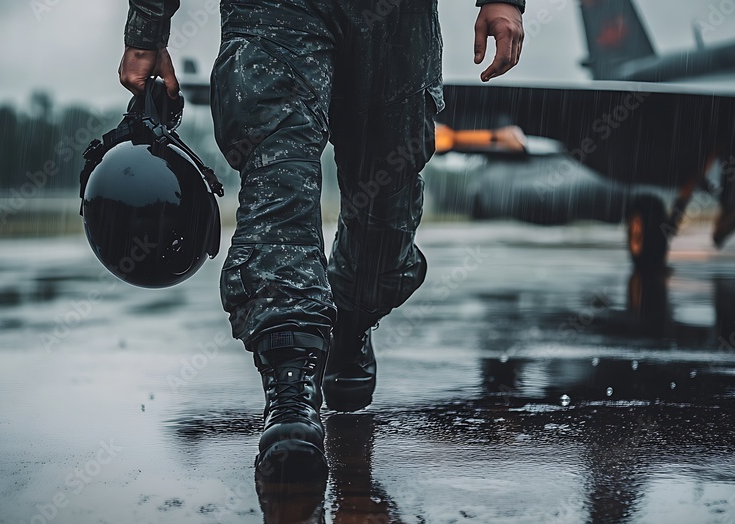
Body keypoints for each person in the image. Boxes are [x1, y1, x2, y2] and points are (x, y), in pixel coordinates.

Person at [118, 0, 525, 479]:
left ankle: (350, 320)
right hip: (275, 13)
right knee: (278, 182)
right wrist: (147, 27)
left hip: (398, 20)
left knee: (385, 211)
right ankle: (291, 388)